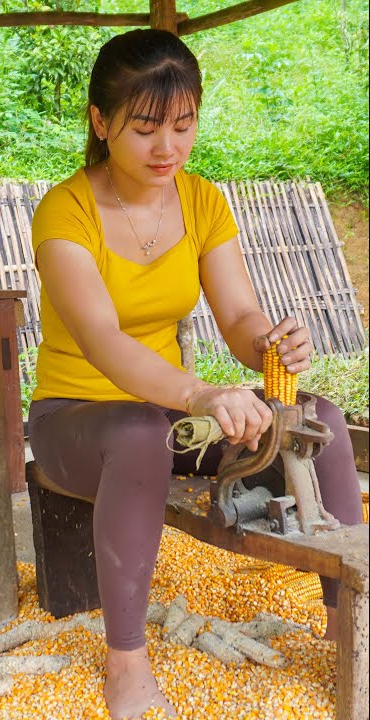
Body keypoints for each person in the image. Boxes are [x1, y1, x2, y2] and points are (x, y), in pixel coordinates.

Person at [26, 28, 363, 719]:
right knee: (137, 433)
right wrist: (200, 393)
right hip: (76, 421)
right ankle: (125, 665)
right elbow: (101, 340)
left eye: (183, 126)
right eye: (146, 128)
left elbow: (237, 315)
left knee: (320, 420)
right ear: (101, 122)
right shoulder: (65, 212)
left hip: (170, 414)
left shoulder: (202, 201)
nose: (167, 148)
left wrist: (269, 344)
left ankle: (349, 632)